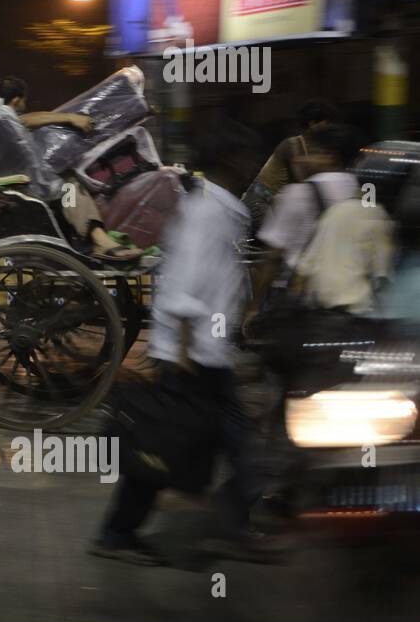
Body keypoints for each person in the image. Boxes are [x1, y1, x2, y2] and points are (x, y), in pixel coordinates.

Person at [90, 121, 271, 565]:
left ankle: (229, 525)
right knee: (169, 443)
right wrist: (187, 350)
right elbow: (185, 283)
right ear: (232, 160)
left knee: (217, 439)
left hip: (203, 349)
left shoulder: (217, 207)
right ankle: (119, 534)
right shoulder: (209, 211)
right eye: (249, 158)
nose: (255, 166)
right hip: (193, 353)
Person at [0, 76, 141, 261]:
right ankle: (99, 239)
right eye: (24, 100)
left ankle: (92, 236)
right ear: (16, 100)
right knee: (69, 185)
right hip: (19, 190)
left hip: (21, 185)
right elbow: (24, 120)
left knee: (68, 180)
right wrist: (70, 117)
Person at [248, 122, 364, 315]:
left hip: (301, 298)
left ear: (330, 157)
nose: (301, 159)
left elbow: (274, 256)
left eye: (310, 152)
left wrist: (253, 308)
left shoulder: (297, 193)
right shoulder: (361, 194)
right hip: (350, 296)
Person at [241, 99, 338, 231]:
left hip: (277, 204)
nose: (330, 127)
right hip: (260, 203)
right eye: (327, 122)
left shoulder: (313, 147)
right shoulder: (292, 145)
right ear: (312, 124)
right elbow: (304, 182)